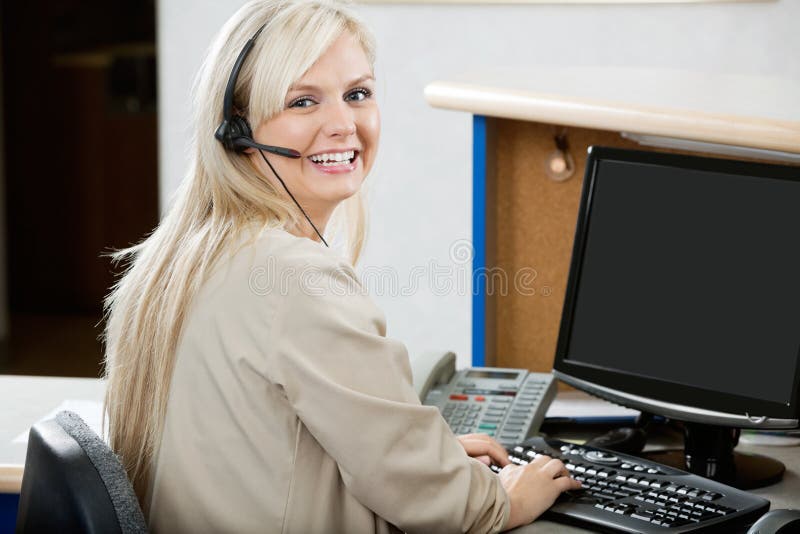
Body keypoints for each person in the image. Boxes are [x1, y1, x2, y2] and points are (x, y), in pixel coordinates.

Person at [102, 0, 580, 532]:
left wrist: (431, 462)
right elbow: (447, 508)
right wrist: (498, 498)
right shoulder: (293, 279)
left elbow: (265, 451)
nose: (343, 124)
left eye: (358, 94)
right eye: (303, 101)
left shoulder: (175, 261)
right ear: (238, 130)